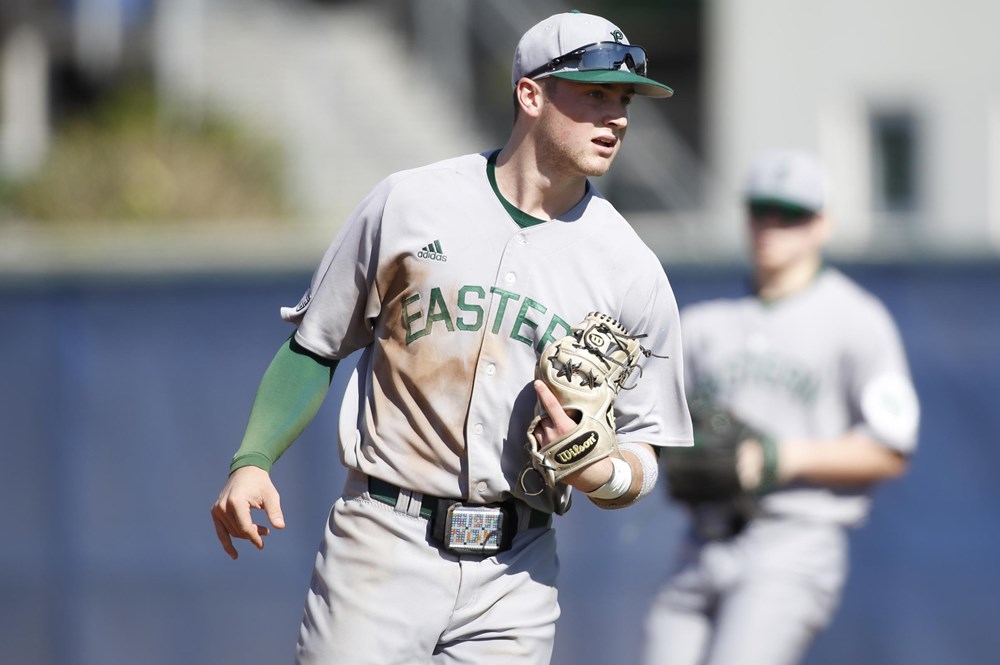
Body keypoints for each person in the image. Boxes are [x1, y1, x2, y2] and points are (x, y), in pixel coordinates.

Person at [210, 11, 694, 665]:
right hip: (384, 541)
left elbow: (646, 449)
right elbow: (314, 345)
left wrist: (601, 472)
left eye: (625, 100)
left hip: (516, 570)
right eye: (595, 94)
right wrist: (253, 459)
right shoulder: (407, 203)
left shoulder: (630, 268)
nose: (617, 118)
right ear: (531, 94)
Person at [639, 149, 921, 665]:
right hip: (701, 541)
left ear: (822, 225)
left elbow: (890, 450)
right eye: (761, 210)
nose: (772, 226)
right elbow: (654, 423)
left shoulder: (857, 319)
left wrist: (779, 457)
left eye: (791, 215)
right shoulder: (704, 325)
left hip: (794, 543)